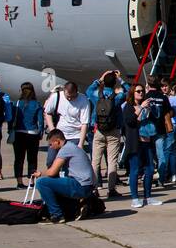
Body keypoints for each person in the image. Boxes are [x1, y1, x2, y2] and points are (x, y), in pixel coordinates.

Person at [33, 129, 96, 224]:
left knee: (42, 182)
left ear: (57, 141)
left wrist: (40, 173)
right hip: (87, 185)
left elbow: (52, 172)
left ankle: (57, 215)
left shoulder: (65, 150)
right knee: (55, 185)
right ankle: (77, 206)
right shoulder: (72, 146)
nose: (50, 147)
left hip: (80, 185)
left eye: (51, 144)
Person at [86, 71, 129, 199]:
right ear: (114, 83)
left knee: (95, 161)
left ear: (104, 82)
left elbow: (89, 90)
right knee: (112, 161)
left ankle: (94, 188)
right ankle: (111, 189)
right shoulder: (118, 97)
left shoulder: (96, 95)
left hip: (98, 130)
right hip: (113, 131)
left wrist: (100, 79)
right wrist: (121, 80)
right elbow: (128, 92)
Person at [123, 87, 162, 209]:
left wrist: (152, 108)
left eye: (142, 91)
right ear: (132, 93)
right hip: (135, 143)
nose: (141, 93)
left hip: (147, 142)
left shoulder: (146, 106)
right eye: (138, 91)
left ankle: (148, 197)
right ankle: (135, 198)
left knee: (150, 169)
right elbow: (129, 121)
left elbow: (156, 118)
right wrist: (140, 108)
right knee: (134, 170)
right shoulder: (128, 107)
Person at [44, 80, 90, 163]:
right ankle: (53, 175)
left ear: (77, 92)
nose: (69, 99)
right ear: (64, 90)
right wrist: (53, 130)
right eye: (67, 96)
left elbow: (84, 123)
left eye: (72, 96)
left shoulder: (83, 100)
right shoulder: (56, 96)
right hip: (58, 135)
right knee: (51, 161)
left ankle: (66, 176)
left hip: (75, 136)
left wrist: (81, 143)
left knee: (69, 163)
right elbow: (48, 113)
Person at [10, 82, 44, 188]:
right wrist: (40, 133)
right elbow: (41, 122)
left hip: (19, 133)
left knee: (19, 159)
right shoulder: (37, 104)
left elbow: (11, 119)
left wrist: (10, 131)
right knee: (32, 159)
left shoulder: (16, 103)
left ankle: (19, 182)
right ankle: (31, 181)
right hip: (32, 133)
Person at [146, 78, 174, 187]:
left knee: (148, 154)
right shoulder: (163, 97)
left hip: (148, 129)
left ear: (148, 84)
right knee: (161, 155)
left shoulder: (146, 96)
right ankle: (161, 179)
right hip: (160, 128)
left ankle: (149, 177)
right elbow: (169, 112)